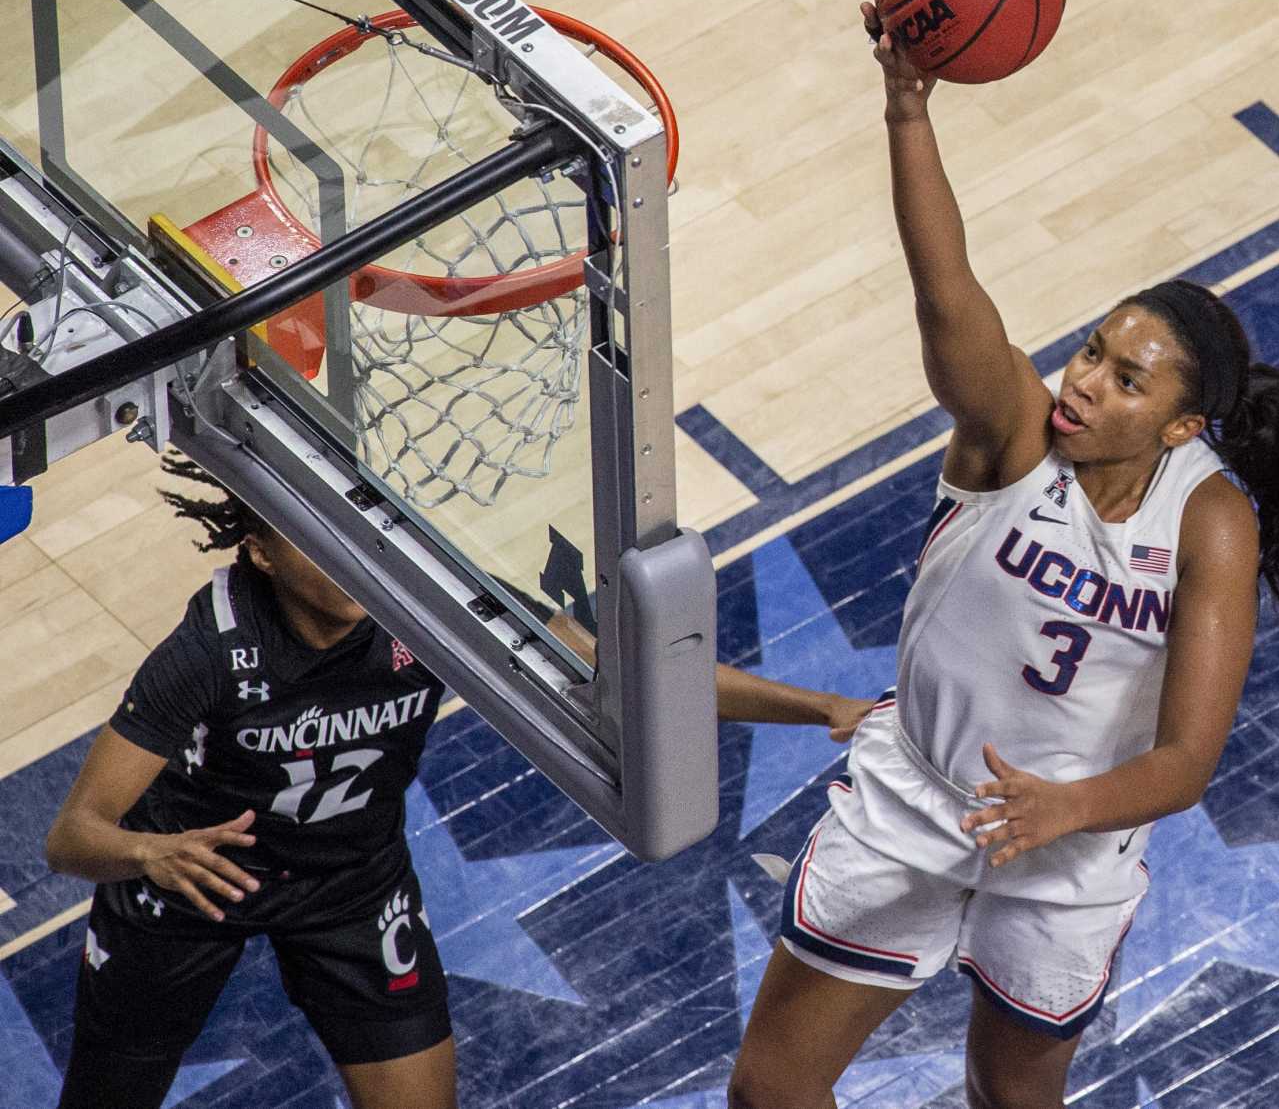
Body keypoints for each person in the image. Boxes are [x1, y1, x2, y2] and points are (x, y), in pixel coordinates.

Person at [725, 0, 1279, 1109]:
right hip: (915, 796)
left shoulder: (1210, 519)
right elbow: (944, 291)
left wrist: (1060, 809)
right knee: (770, 1091)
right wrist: (907, 109)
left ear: (1178, 425)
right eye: (1088, 349)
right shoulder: (1012, 436)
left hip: (1069, 842)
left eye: (1124, 377)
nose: (1082, 380)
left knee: (1012, 1098)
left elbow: (1185, 761)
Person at [46, 455, 872, 1109]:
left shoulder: (427, 600)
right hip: (192, 891)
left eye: (345, 527)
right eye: (306, 537)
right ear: (259, 553)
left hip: (350, 886)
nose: (340, 554)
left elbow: (630, 675)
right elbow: (73, 835)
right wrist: (151, 855)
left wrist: (824, 705)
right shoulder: (208, 653)